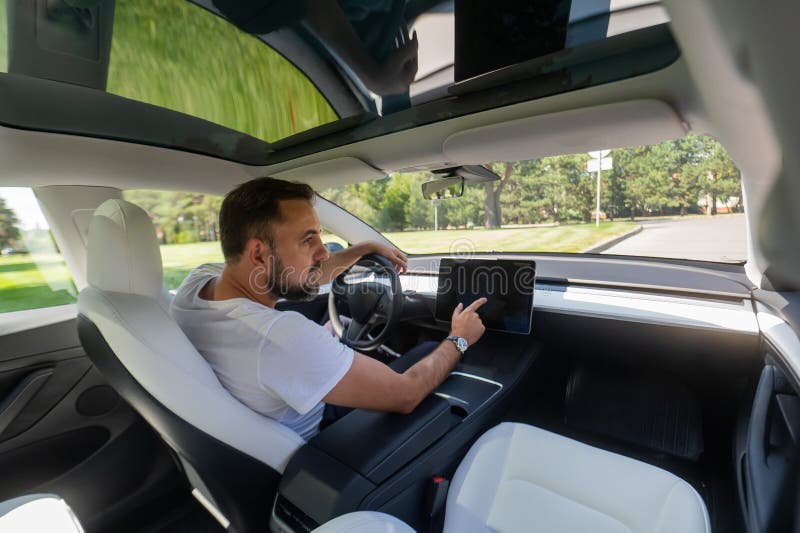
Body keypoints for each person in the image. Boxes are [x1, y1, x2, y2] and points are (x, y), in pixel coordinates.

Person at [170, 177, 486, 440]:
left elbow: (307, 275)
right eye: (308, 240)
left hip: (278, 405)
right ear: (258, 254)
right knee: (432, 349)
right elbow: (406, 394)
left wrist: (365, 248)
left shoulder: (196, 285)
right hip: (327, 437)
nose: (323, 252)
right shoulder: (281, 338)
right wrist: (459, 338)